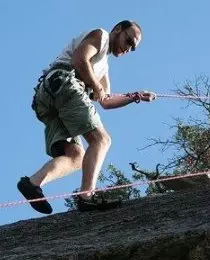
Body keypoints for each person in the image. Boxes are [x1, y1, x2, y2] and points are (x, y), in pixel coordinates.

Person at [17, 20, 156, 214]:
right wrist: (96, 87)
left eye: (133, 48)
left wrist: (135, 97)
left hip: (48, 98)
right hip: (63, 83)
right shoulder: (101, 36)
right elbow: (79, 60)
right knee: (102, 140)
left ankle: (32, 184)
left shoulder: (103, 68)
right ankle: (86, 197)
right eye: (129, 41)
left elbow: (105, 101)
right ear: (117, 30)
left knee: (75, 157)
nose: (129, 48)